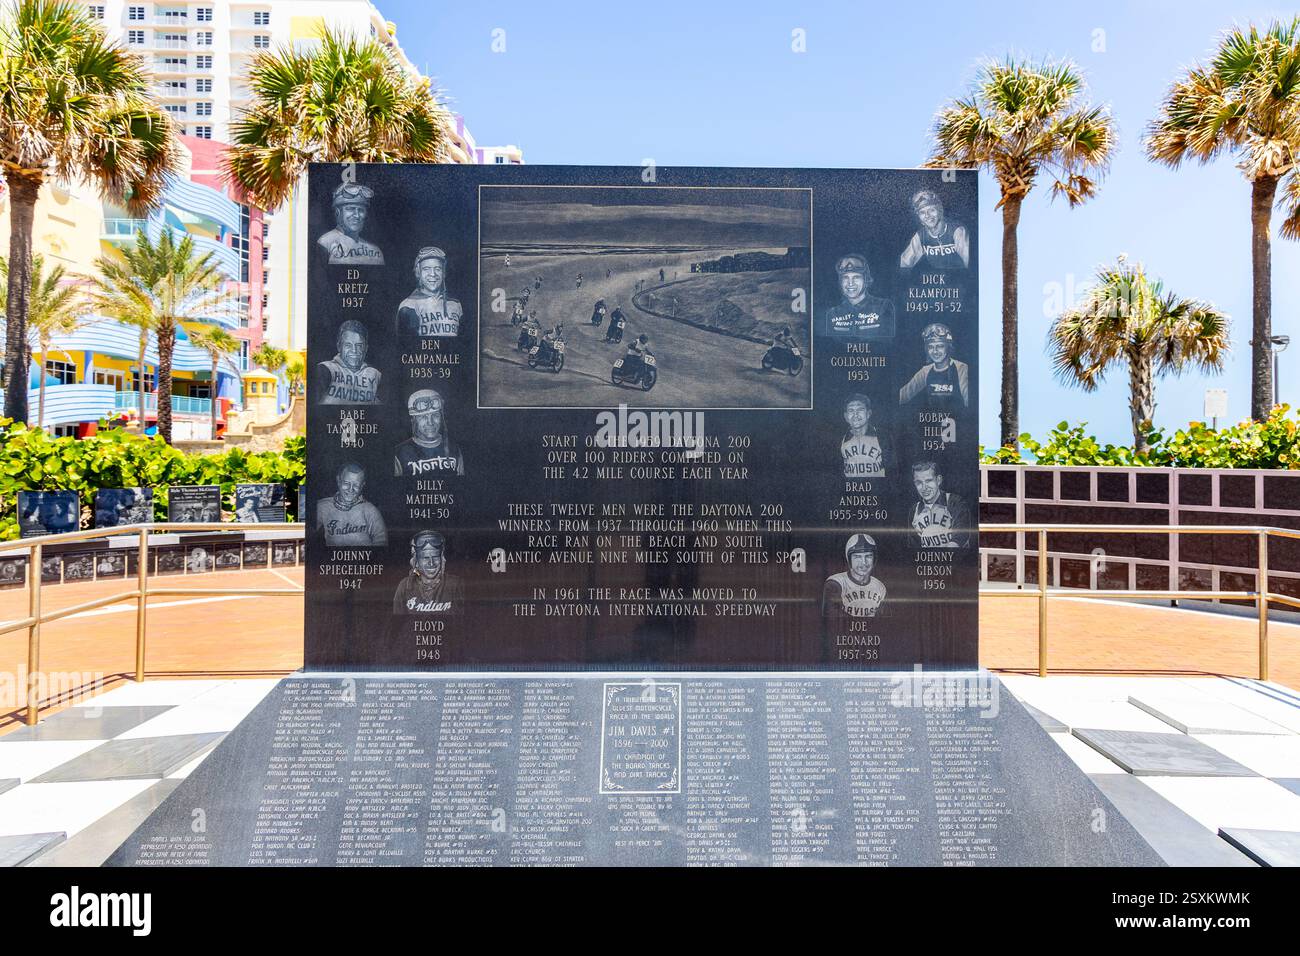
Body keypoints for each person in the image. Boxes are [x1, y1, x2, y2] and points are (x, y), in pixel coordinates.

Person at [394, 390, 465, 478]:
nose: (430, 423)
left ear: (441, 418)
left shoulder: (454, 449)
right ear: (413, 421)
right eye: (423, 417)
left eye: (435, 415)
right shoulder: (399, 453)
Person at [396, 246, 462, 339]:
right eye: (426, 269)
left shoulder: (456, 304)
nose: (433, 274)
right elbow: (407, 347)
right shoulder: (408, 306)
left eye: (438, 269)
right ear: (418, 273)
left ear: (444, 273)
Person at [824, 254, 895, 338]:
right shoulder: (833, 314)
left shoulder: (883, 307)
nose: (850, 283)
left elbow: (888, 345)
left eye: (856, 277)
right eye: (845, 277)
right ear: (840, 282)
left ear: (866, 280)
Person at [899, 324, 970, 408]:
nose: (935, 351)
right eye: (930, 347)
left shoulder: (961, 368)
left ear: (949, 347)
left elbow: (969, 401)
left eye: (940, 346)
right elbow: (903, 395)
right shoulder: (926, 371)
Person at [317, 463, 388, 545]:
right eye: (346, 483)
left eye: (356, 485)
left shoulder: (371, 510)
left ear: (362, 486)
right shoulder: (322, 507)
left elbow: (382, 542)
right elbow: (308, 534)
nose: (351, 489)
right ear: (338, 481)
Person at [393, 531, 463, 614]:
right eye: (425, 558)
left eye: (435, 557)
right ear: (416, 561)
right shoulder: (404, 586)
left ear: (442, 558)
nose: (431, 563)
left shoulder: (455, 585)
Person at [900, 190, 969, 270]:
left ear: (940, 210)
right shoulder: (920, 236)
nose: (927, 216)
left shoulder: (957, 231)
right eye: (922, 212)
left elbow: (970, 264)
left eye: (931, 210)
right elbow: (905, 264)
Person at [316, 183, 384, 265]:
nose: (357, 215)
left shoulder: (375, 251)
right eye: (350, 209)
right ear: (338, 213)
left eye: (361, 210)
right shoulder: (325, 243)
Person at [909, 461, 972, 549]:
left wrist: (943, 557)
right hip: (926, 561)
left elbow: (961, 535)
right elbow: (914, 546)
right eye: (919, 483)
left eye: (928, 481)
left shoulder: (954, 501)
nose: (924, 487)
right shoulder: (915, 510)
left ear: (938, 480)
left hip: (954, 559)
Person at [822, 534, 887, 618]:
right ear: (849, 559)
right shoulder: (835, 583)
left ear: (874, 559)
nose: (864, 562)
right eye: (857, 557)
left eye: (868, 556)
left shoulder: (880, 587)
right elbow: (832, 619)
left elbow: (885, 622)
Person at [317, 320, 381, 405]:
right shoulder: (326, 369)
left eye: (359, 346)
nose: (354, 350)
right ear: (339, 347)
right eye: (348, 345)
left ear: (366, 348)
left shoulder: (375, 375)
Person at [840, 394, 891, 479]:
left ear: (868, 413)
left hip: (876, 488)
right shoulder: (841, 438)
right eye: (851, 410)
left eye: (860, 409)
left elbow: (892, 470)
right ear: (846, 416)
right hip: (850, 489)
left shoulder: (883, 436)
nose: (855, 415)